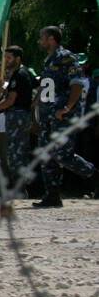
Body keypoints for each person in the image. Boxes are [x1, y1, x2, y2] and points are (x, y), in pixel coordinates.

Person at [33, 25, 97, 208]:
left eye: (42, 37)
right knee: (46, 155)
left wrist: (68, 107)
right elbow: (46, 87)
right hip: (47, 116)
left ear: (51, 39)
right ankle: (52, 195)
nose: (40, 41)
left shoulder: (66, 57)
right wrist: (36, 108)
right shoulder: (47, 60)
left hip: (62, 115)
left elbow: (76, 84)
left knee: (63, 155)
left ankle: (94, 175)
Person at [0, 45, 35, 194]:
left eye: (9, 58)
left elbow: (10, 101)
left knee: (15, 154)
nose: (6, 61)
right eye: (5, 58)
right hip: (23, 115)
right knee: (21, 152)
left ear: (17, 58)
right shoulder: (26, 72)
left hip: (17, 116)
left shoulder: (18, 74)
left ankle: (20, 189)